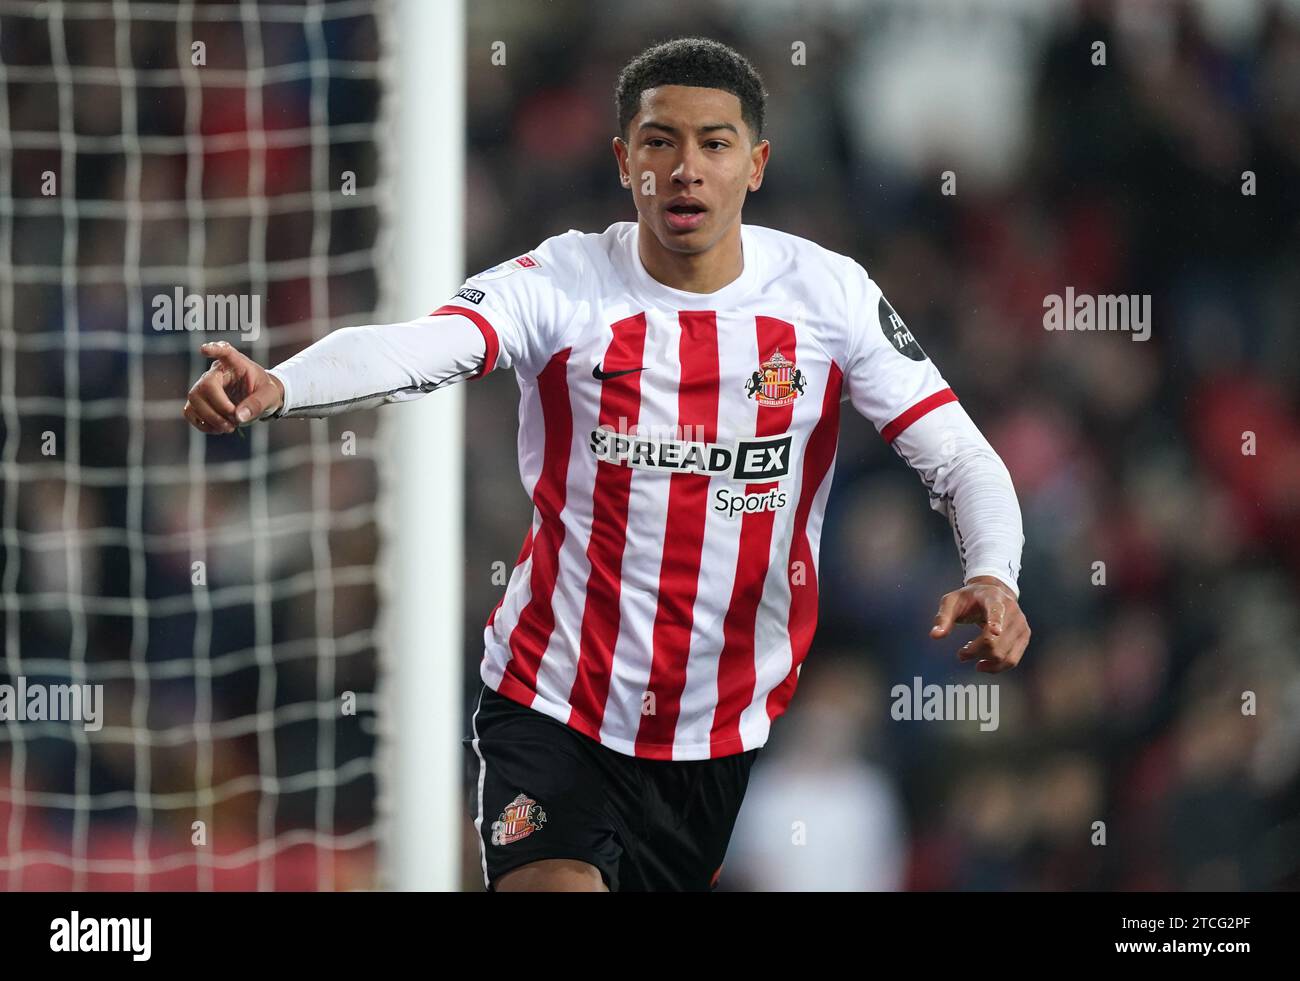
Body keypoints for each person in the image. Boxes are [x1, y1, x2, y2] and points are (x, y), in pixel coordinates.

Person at [182, 37, 1030, 892]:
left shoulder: (829, 295)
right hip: (554, 701)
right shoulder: (565, 281)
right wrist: (282, 383)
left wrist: (994, 571)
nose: (686, 168)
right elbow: (422, 345)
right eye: (660, 142)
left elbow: (957, 451)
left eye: (715, 142)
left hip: (718, 732)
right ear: (626, 161)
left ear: (758, 163)